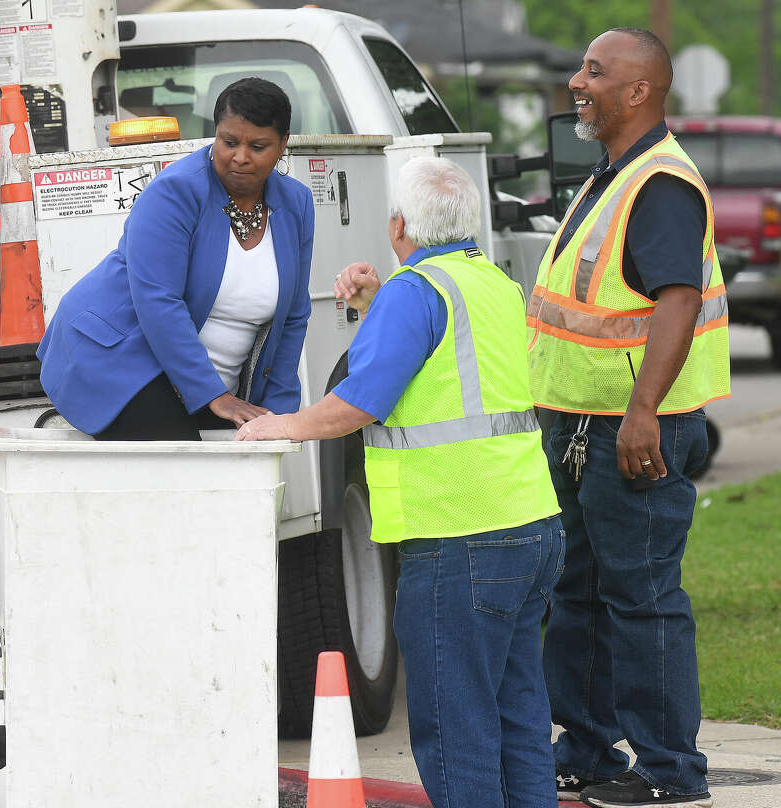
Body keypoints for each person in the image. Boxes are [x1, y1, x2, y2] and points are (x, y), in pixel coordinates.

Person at [239, 155, 562, 808]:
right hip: (528, 526)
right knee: (517, 712)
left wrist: (284, 426)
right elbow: (445, 367)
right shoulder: (490, 283)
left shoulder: (417, 294)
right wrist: (376, 302)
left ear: (398, 227)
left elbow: (361, 401)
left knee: (455, 725)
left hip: (456, 537)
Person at [528, 28, 728, 808]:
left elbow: (677, 298)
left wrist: (643, 410)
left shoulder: (660, 184)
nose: (578, 81)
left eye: (595, 71)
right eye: (581, 67)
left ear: (639, 90)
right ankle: (587, 748)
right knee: (578, 594)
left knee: (642, 600)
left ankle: (670, 771)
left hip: (630, 430)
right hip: (582, 425)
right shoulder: (613, 177)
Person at [36, 76, 314, 439]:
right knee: (191, 477)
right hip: (119, 360)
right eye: (229, 142)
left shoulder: (297, 204)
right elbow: (158, 301)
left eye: (258, 146)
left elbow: (293, 314)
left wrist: (279, 412)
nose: (240, 157)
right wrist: (214, 394)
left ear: (283, 145)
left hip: (201, 381)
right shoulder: (174, 192)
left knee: (239, 478)